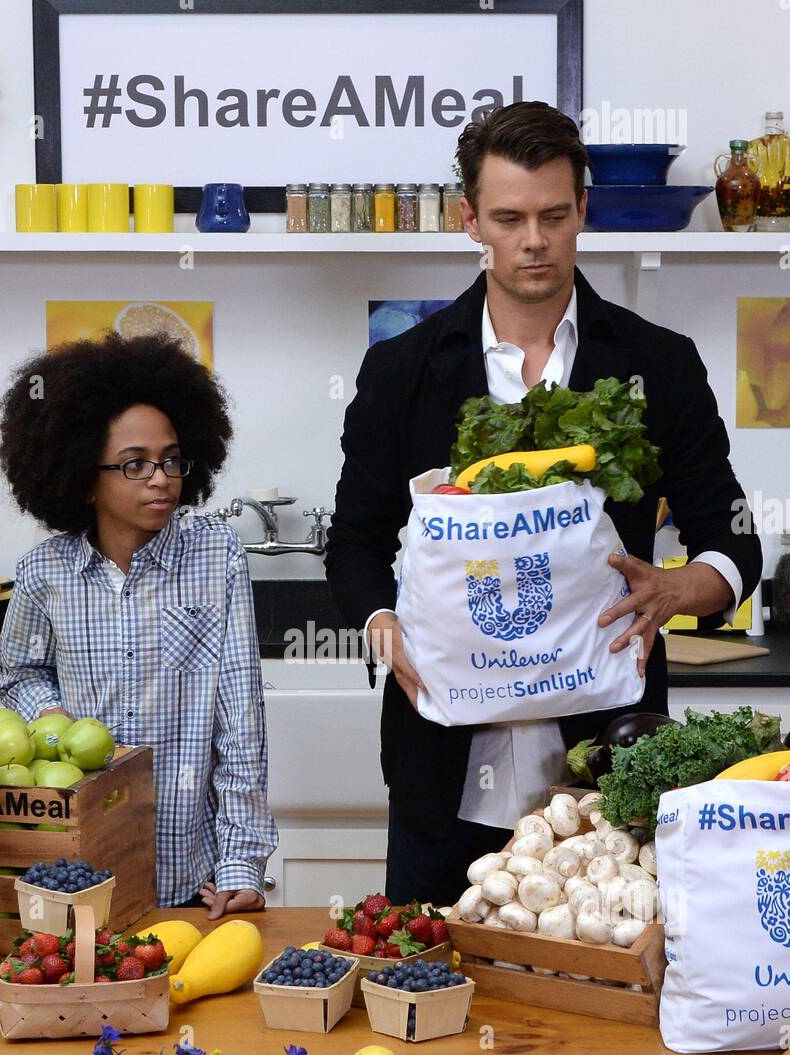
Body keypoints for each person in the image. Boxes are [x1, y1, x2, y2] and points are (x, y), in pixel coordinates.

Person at [325, 102, 762, 907]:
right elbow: (351, 543)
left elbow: (736, 547)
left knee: (597, 990)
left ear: (583, 211)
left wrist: (674, 589)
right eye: (510, 218)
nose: (534, 240)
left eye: (555, 216)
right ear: (470, 221)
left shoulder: (657, 365)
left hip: (611, 759)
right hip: (440, 761)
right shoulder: (404, 369)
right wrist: (383, 630)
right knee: (434, 985)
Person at [0, 332, 277, 919]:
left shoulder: (216, 556)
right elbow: (19, 673)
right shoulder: (45, 572)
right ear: (81, 477)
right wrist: (49, 714)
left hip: (188, 875)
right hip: (79, 867)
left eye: (172, 459)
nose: (161, 478)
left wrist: (242, 863)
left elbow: (240, 720)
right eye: (135, 464)